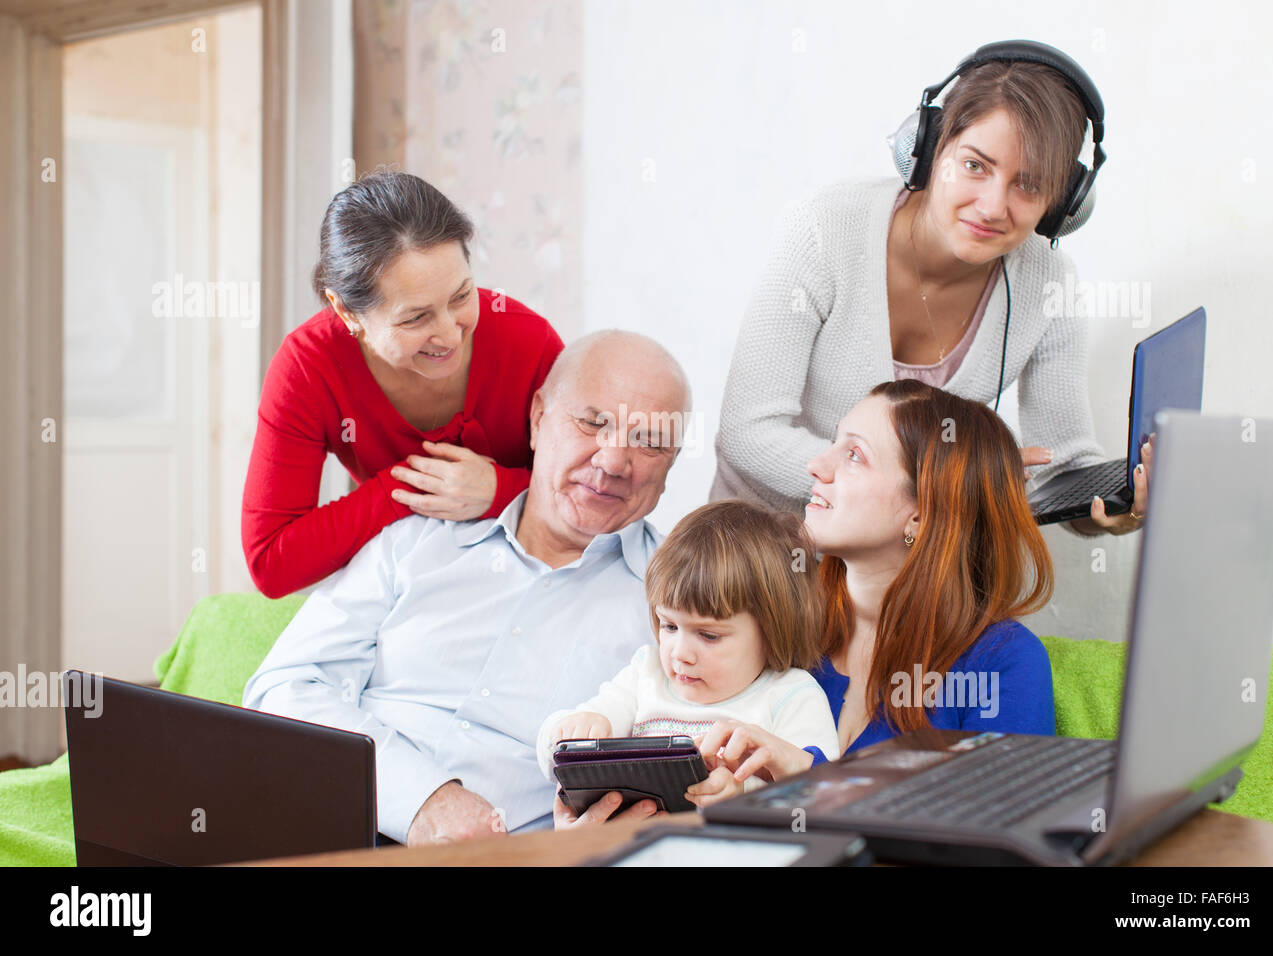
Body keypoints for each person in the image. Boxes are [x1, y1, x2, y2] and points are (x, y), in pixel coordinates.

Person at [243, 330, 691, 843]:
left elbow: (698, 766)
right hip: (322, 832)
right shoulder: (416, 541)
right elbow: (284, 688)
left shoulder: (680, 604)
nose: (613, 462)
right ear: (539, 418)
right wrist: (421, 801)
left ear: (671, 464)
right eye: (593, 422)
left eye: (650, 441)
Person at [711, 41, 1153, 538]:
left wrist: (1116, 504)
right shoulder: (828, 228)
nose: (991, 206)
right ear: (930, 146)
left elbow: (1061, 469)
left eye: (1028, 185)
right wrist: (933, 487)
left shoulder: (1049, 283)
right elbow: (747, 434)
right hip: (759, 563)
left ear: (1062, 203)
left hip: (900, 579)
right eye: (975, 165)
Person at [699, 379, 1056, 784]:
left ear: (922, 514)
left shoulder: (1001, 661)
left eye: (854, 454)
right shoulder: (778, 624)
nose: (817, 466)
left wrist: (806, 774)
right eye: (835, 443)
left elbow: (996, 827)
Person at [242, 170, 564, 598]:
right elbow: (272, 562)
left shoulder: (529, 342)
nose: (450, 335)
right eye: (416, 317)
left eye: (462, 296)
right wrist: (412, 489)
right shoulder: (308, 367)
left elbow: (598, 493)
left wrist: (499, 491)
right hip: (405, 584)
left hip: (536, 577)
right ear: (347, 313)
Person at [536, 500, 840, 813]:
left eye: (709, 635)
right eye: (669, 625)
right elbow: (553, 755)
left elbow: (828, 798)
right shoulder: (646, 672)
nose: (680, 653)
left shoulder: (790, 693)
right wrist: (570, 730)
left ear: (773, 631)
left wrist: (744, 792)